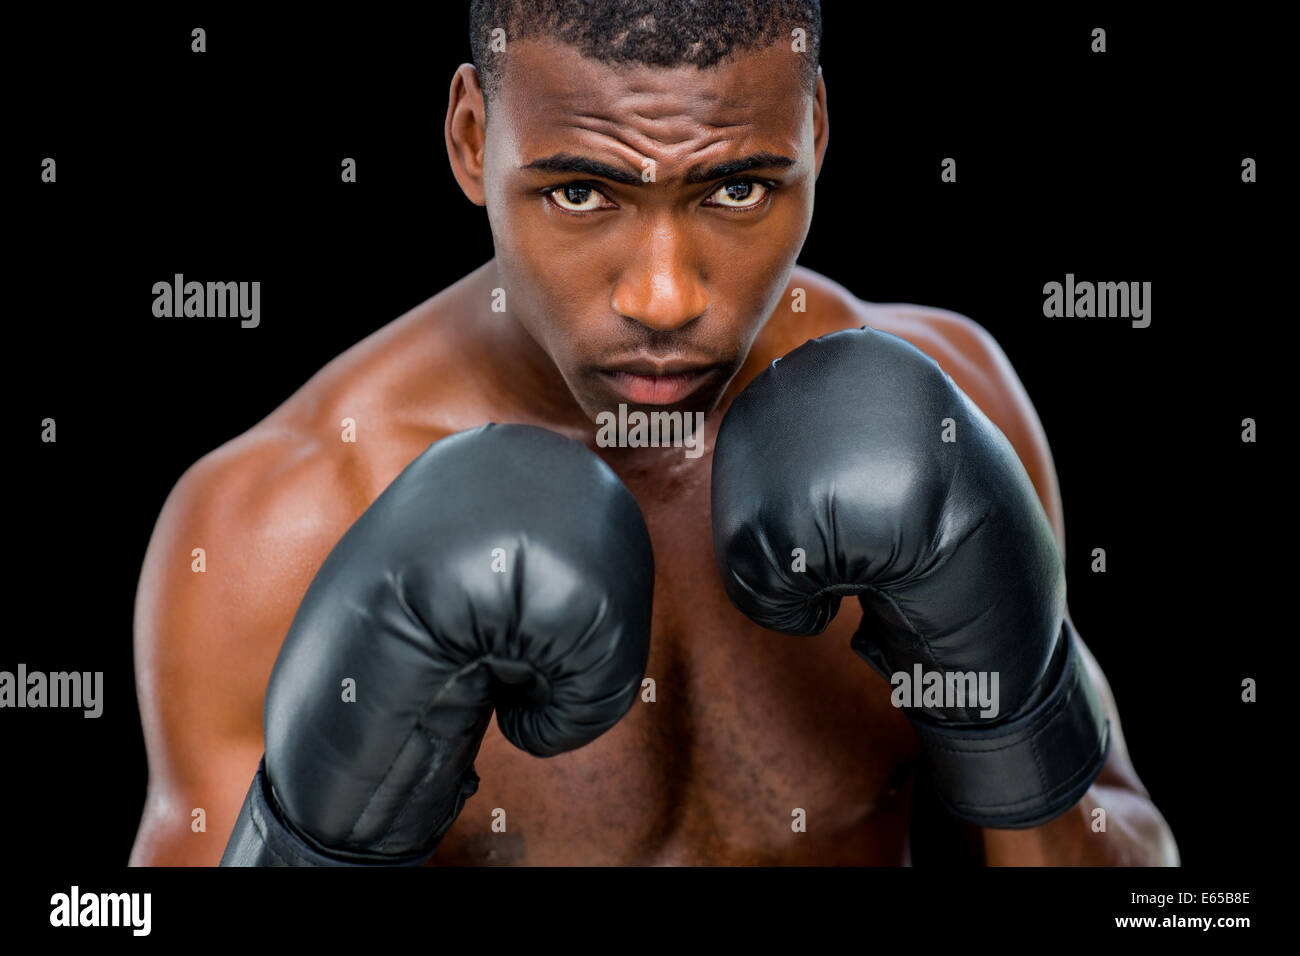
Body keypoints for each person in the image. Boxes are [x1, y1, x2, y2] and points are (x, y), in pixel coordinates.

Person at [130, 0, 1178, 866]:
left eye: (736, 187)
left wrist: (1015, 725)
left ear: (815, 131)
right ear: (467, 139)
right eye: (581, 191)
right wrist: (314, 842)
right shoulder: (281, 524)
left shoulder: (952, 410)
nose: (666, 296)